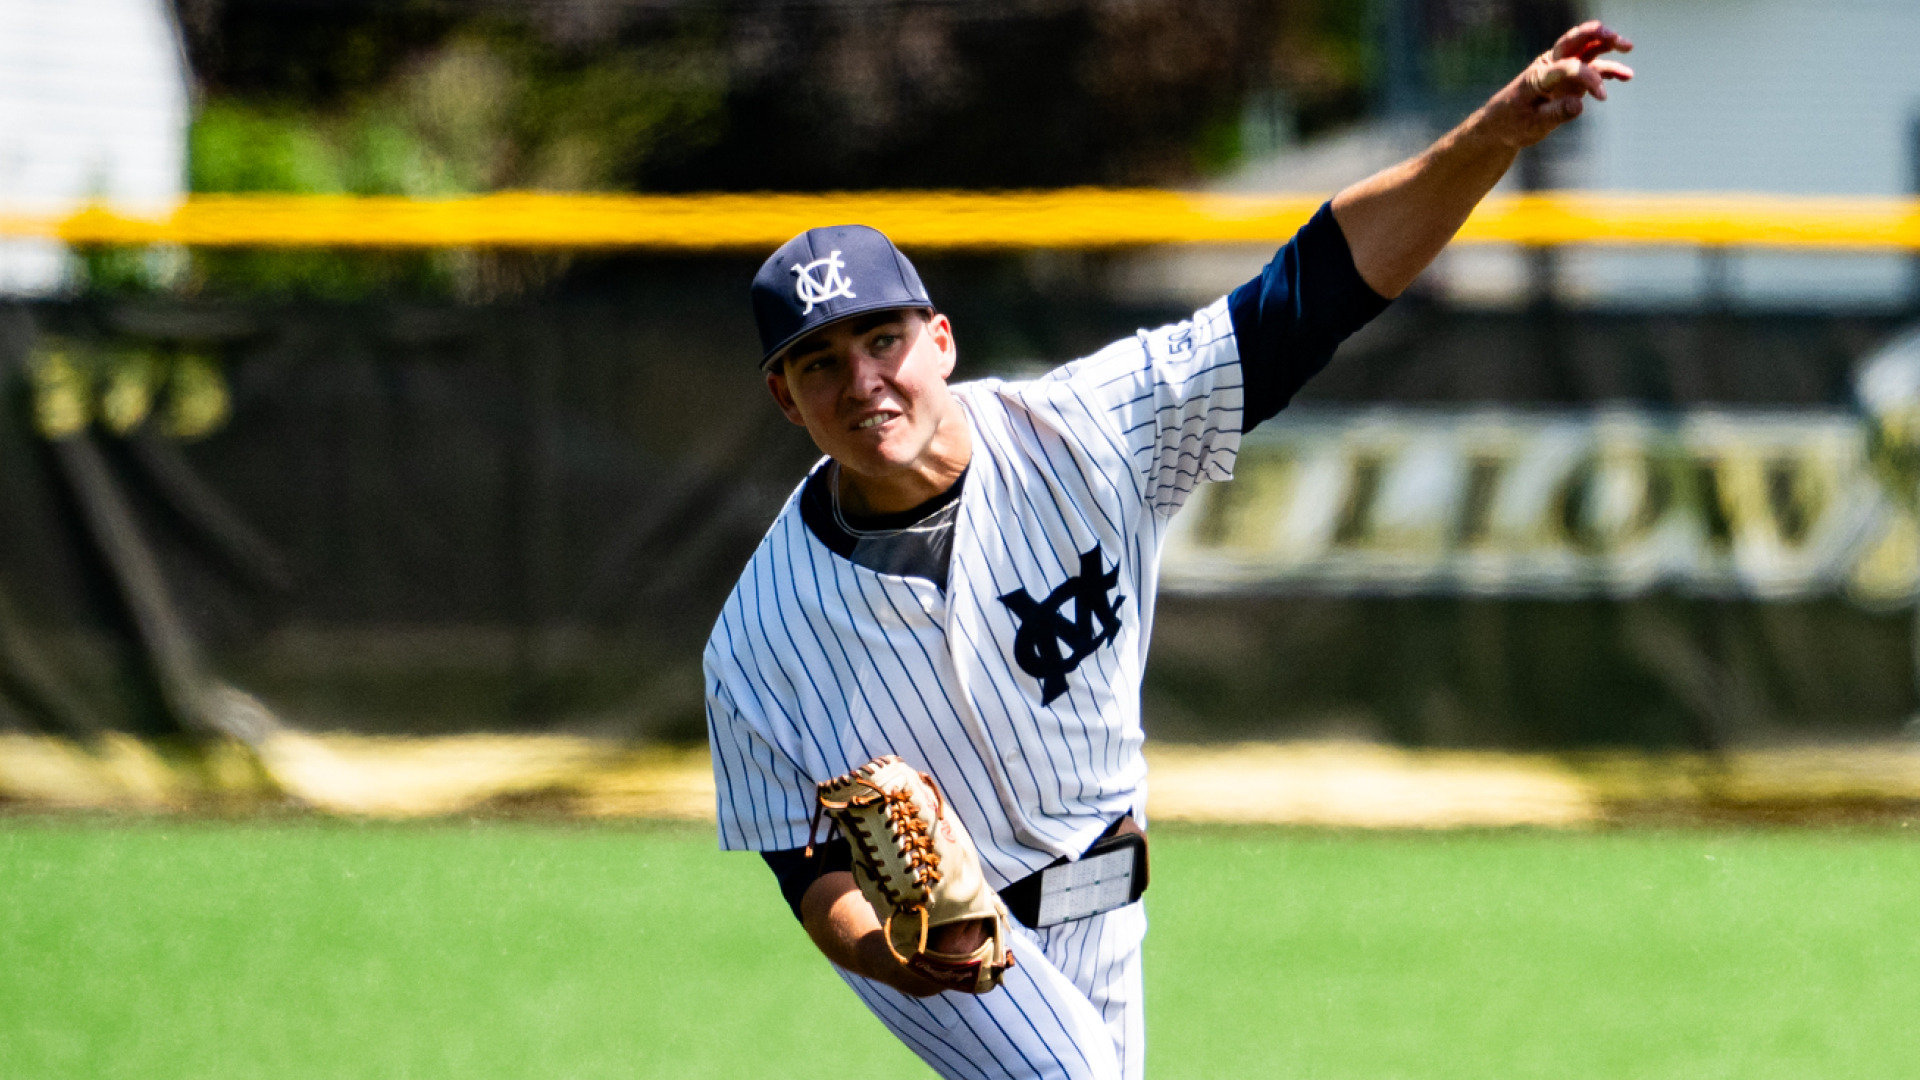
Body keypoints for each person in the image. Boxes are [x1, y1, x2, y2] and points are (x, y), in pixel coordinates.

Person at [705, 22, 1632, 1080]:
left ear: (941, 340)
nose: (863, 380)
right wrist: (886, 953)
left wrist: (1490, 138)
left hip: (1109, 895)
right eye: (820, 363)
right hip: (956, 951)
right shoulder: (761, 637)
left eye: (882, 341)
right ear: (785, 398)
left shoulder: (1089, 430)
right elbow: (805, 858)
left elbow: (1308, 295)